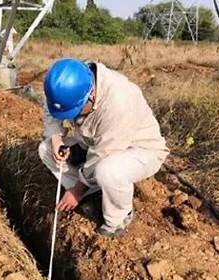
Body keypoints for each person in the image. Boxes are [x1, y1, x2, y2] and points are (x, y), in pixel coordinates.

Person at [39, 58, 169, 237]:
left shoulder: (119, 102)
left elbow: (103, 153)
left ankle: (119, 217)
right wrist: (56, 139)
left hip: (139, 150)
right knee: (45, 150)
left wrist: (77, 189)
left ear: (91, 95)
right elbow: (52, 108)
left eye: (76, 111)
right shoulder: (66, 84)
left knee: (108, 171)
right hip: (94, 142)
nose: (74, 117)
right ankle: (93, 193)